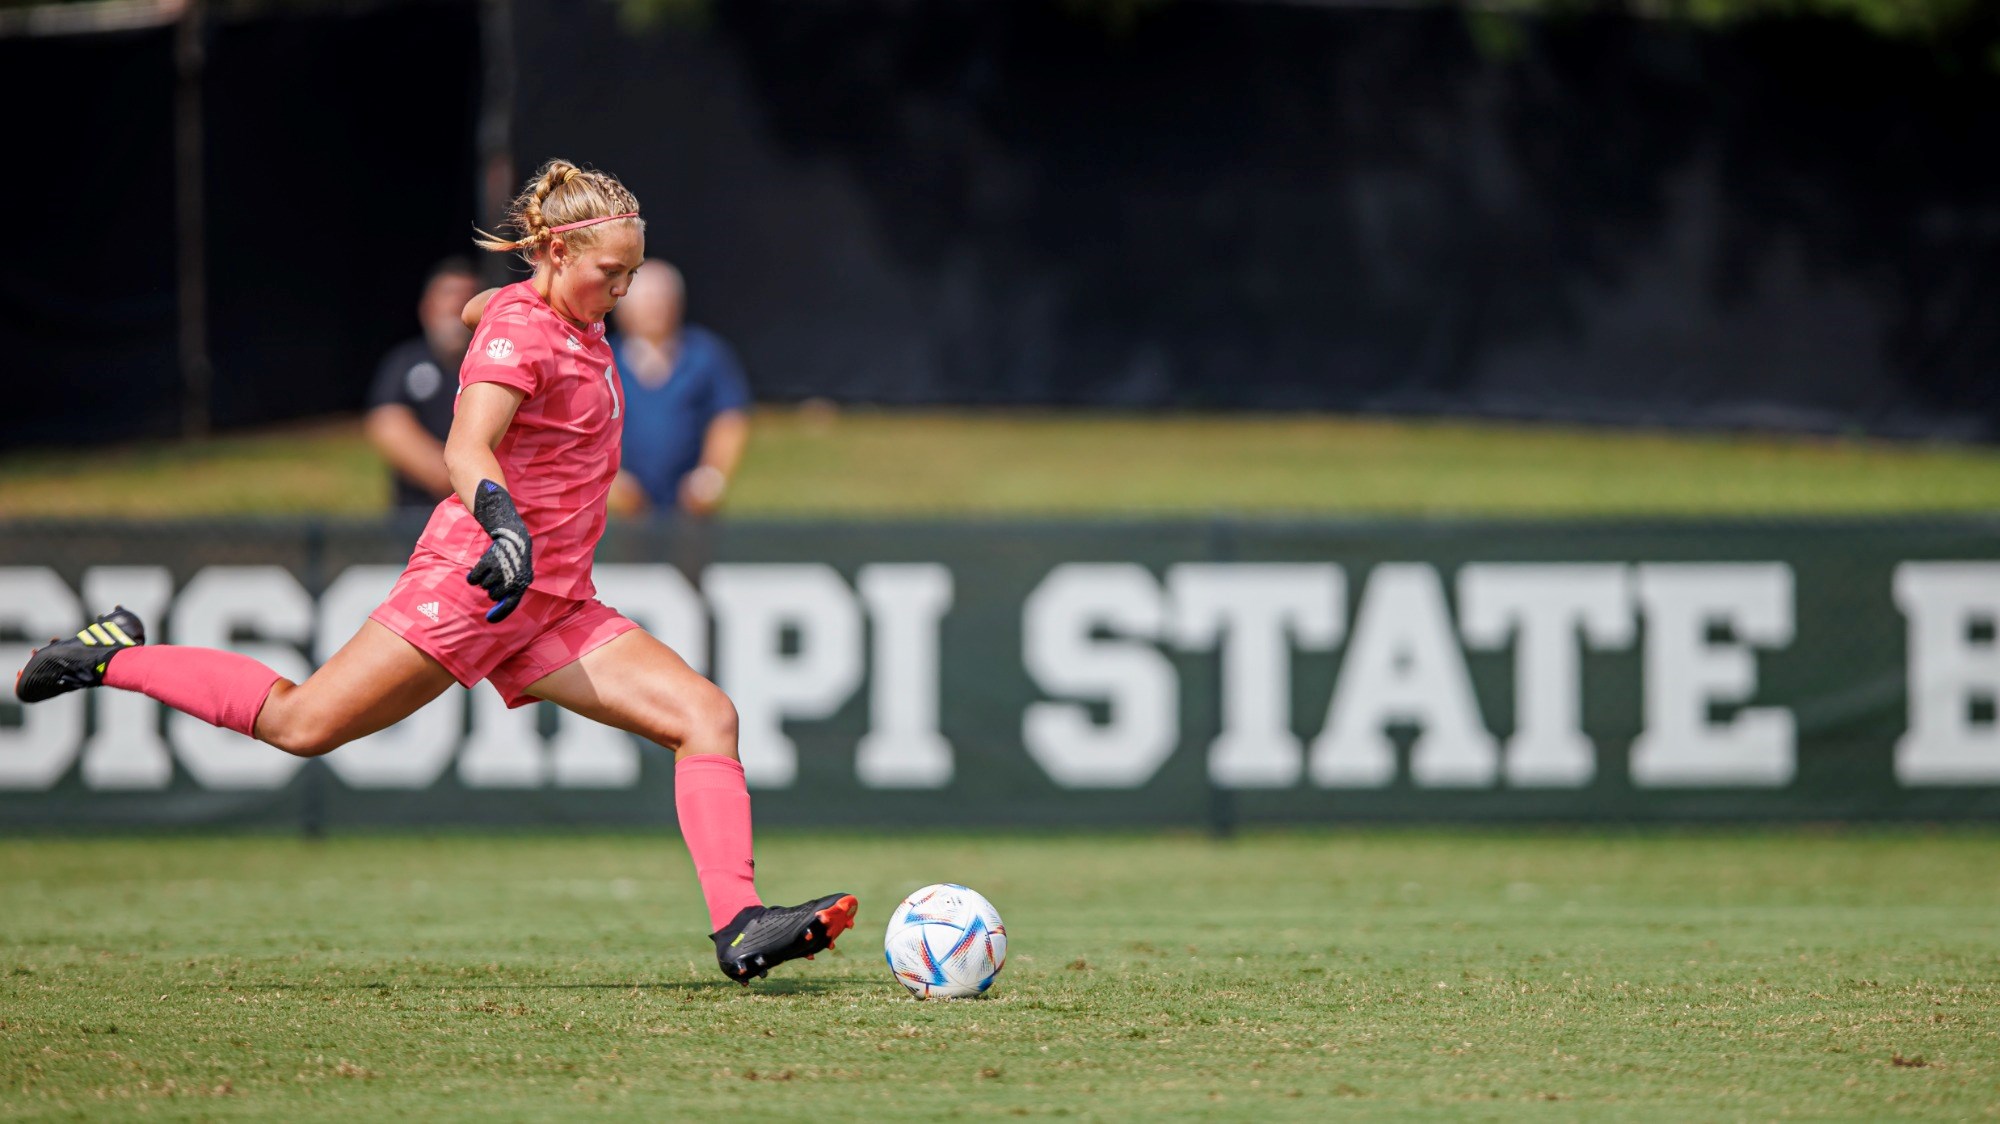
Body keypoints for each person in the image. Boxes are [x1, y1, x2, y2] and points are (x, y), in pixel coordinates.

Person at [13, 160, 855, 984]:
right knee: (302, 725)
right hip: (478, 579)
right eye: (612, 272)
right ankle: (103, 654)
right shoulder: (525, 331)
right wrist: (503, 525)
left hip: (555, 604)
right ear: (560, 253)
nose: (624, 293)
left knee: (706, 716)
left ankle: (740, 924)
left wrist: (503, 303)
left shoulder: (554, 308)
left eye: (633, 273)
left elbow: (493, 302)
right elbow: (466, 444)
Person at [606, 260, 751, 518]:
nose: (655, 308)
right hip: (622, 515)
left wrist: (711, 478)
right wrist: (610, 483)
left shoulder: (707, 355)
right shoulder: (602, 360)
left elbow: (730, 419)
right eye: (647, 300)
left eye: (662, 298)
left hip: (690, 512)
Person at [364, 258, 481, 511]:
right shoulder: (405, 361)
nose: (459, 302)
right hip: (419, 516)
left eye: (469, 295)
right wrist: (460, 474)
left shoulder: (493, 360)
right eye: (450, 294)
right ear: (427, 308)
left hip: (482, 516)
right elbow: (388, 426)